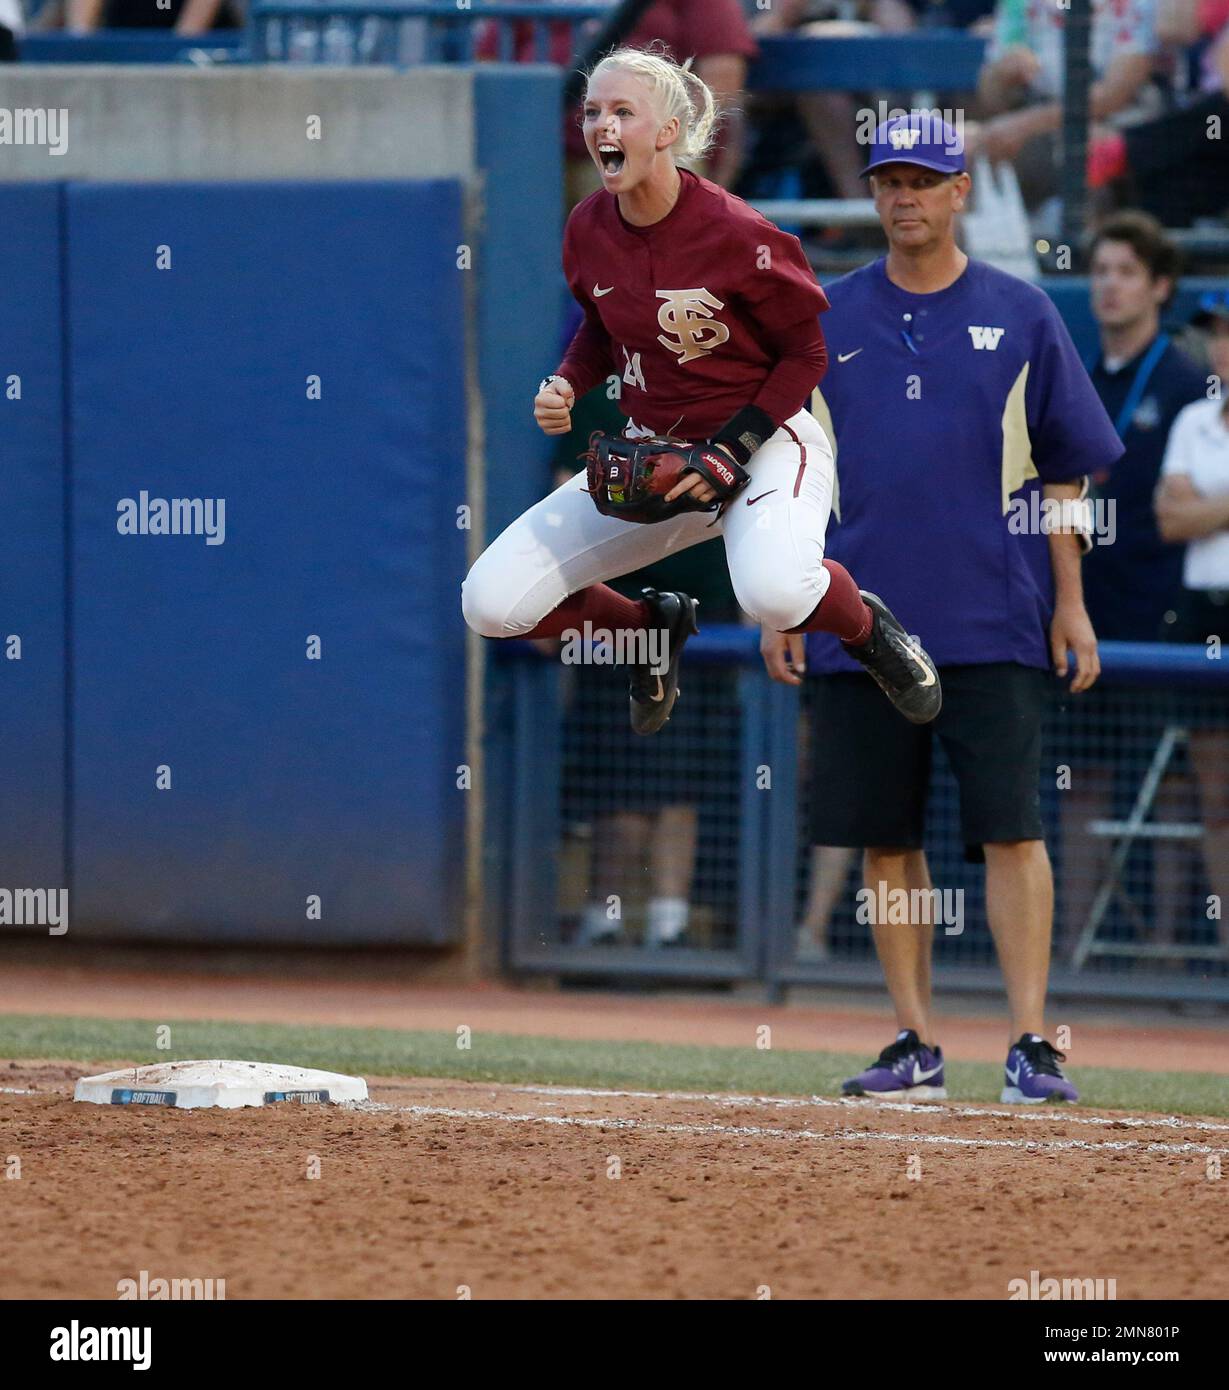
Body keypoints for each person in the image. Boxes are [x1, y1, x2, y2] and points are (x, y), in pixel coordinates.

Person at [761, 113, 1124, 1104]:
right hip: (858, 617)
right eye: (887, 179)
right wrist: (777, 598)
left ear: (960, 189)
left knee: (1011, 828)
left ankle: (1028, 1041)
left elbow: (1064, 470)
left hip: (991, 613)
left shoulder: (1021, 313)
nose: (903, 197)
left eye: (922, 179)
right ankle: (914, 1039)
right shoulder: (822, 316)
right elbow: (786, 474)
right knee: (886, 834)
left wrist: (1071, 603)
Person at [463, 49, 942, 767]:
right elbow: (601, 327)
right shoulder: (588, 225)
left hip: (766, 439)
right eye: (593, 111)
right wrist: (567, 380)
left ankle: (865, 627)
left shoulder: (736, 231)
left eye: (623, 111)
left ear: (669, 130)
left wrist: (730, 450)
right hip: (659, 450)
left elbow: (805, 358)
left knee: (777, 595)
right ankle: (649, 629)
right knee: (492, 605)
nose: (602, 125)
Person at [1058, 212, 1206, 959]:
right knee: (1080, 777)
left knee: (1172, 782)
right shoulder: (1077, 372)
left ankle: (1167, 946)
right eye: (1101, 270)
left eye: (1124, 272)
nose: (1108, 285)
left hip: (1164, 616)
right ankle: (1072, 943)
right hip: (1084, 606)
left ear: (1160, 286)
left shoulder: (1185, 384)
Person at [1154, 290, 1229, 957]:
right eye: (1218, 333)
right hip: (1204, 613)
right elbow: (1170, 519)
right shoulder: (1191, 421)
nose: (1223, 346)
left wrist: (1206, 505)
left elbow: (1189, 511)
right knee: (1215, 797)